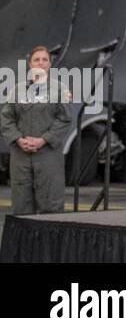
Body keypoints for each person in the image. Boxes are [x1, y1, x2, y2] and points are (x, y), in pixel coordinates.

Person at [1, 46, 71, 215]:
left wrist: (44, 139)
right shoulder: (16, 90)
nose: (41, 62)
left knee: (51, 203)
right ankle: (24, 242)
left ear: (50, 64)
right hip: (21, 154)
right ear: (30, 64)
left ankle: (50, 242)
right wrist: (18, 139)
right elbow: (6, 119)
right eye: (36, 59)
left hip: (48, 153)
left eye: (44, 59)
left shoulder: (60, 90)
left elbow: (64, 119)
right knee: (21, 205)